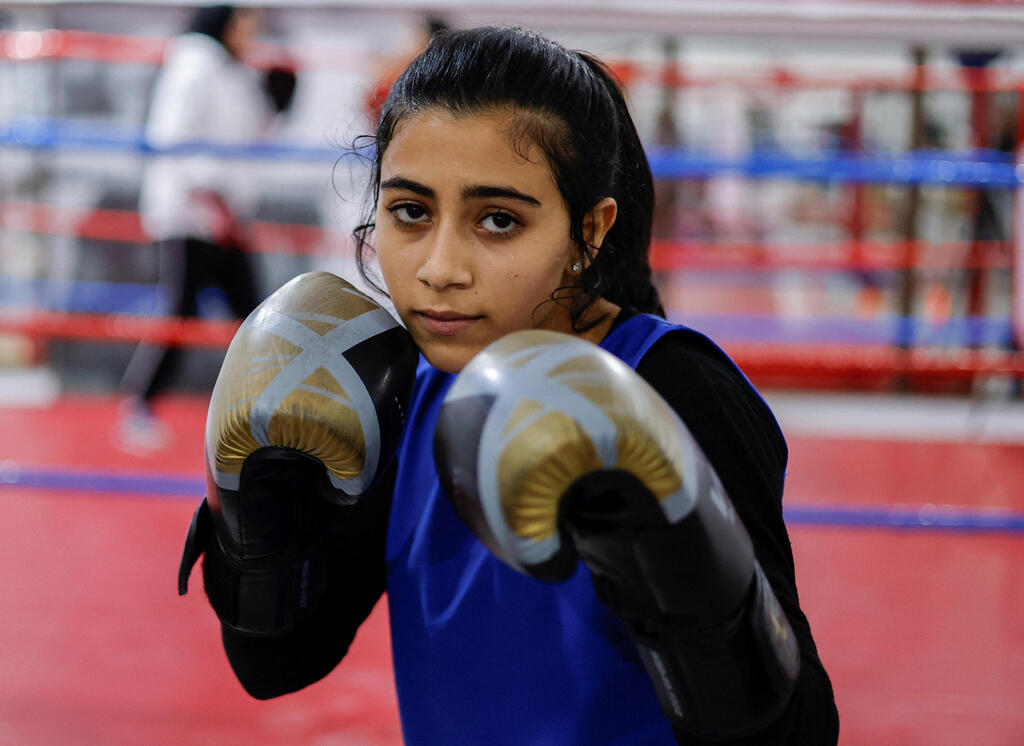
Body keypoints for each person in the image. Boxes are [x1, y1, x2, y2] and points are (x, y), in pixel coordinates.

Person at [178, 26, 839, 744]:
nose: (440, 267)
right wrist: (262, 513)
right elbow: (276, 663)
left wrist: (684, 581)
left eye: (498, 221)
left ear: (589, 231)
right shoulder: (398, 393)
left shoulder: (671, 386)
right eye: (410, 212)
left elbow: (795, 733)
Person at [115, 4, 295, 453]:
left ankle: (270, 409)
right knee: (187, 312)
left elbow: (254, 133)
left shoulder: (232, 71)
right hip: (190, 213)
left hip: (223, 215)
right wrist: (211, 197)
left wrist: (280, 96)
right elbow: (171, 135)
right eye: (244, 23)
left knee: (249, 313)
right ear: (225, 22)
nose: (251, 32)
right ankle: (139, 406)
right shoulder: (194, 63)